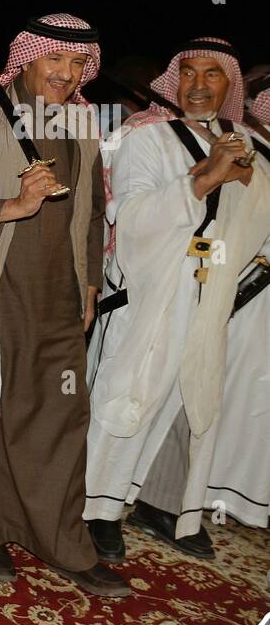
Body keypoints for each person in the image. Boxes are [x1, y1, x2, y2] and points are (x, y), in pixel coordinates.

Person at [0, 13, 128, 597]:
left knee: (63, 415)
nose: (67, 75)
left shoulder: (84, 124)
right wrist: (9, 205)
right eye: (56, 60)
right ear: (29, 58)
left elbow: (92, 211)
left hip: (61, 293)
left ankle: (65, 540)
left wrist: (91, 282)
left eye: (78, 65)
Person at [86, 38, 270, 559]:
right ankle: (96, 509)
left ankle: (158, 503)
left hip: (211, 292)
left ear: (231, 85)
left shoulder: (242, 142)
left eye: (213, 75)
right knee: (128, 395)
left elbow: (255, 219)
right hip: (147, 289)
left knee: (182, 401)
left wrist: (243, 178)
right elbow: (132, 216)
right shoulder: (146, 137)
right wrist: (206, 177)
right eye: (188, 73)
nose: (198, 85)